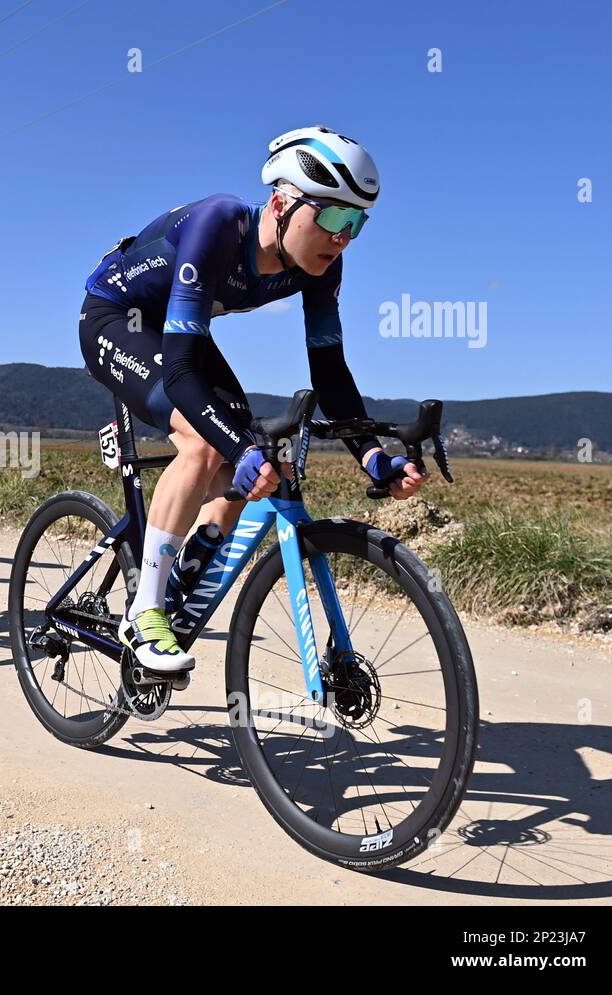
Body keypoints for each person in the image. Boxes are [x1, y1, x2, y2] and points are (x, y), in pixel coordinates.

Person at [78, 125, 427, 676]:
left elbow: (331, 375)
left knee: (253, 456)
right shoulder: (218, 224)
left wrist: (374, 455)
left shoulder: (321, 267)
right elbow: (181, 370)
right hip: (117, 317)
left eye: (357, 223)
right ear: (282, 202)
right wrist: (235, 446)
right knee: (204, 442)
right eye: (334, 217)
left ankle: (180, 579)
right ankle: (144, 612)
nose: (343, 237)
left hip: (177, 335)